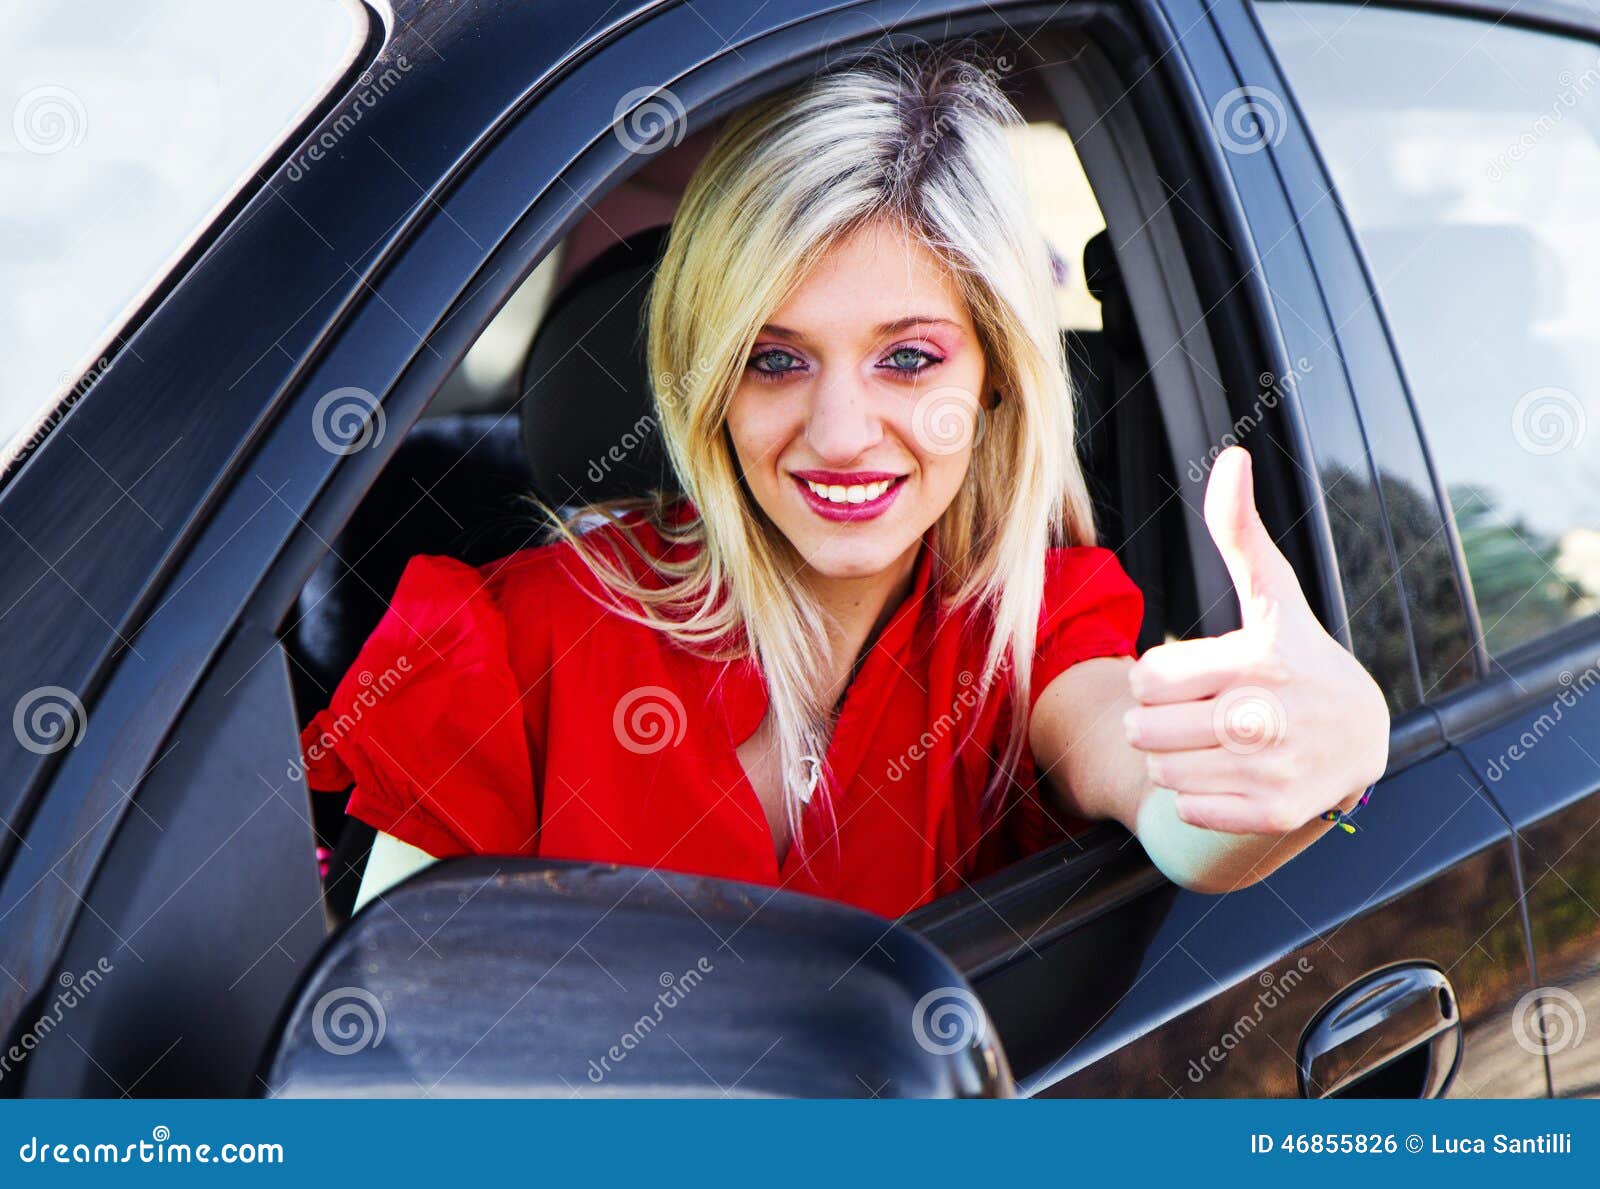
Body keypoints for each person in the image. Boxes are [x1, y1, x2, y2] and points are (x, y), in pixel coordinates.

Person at [299, 46, 1389, 920]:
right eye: (774, 359)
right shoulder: (517, 631)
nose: (838, 433)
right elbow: (384, 1043)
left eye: (908, 358)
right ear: (706, 381)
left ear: (999, 370)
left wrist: (1320, 752)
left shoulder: (1029, 629)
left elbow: (1160, 792)